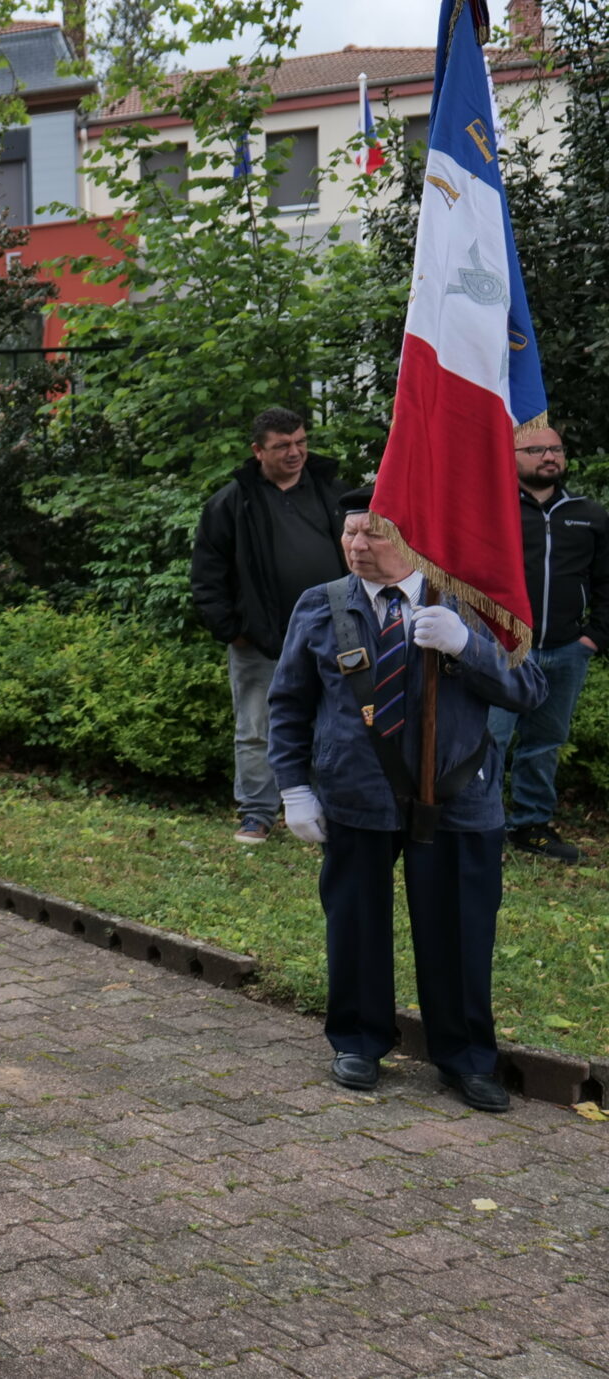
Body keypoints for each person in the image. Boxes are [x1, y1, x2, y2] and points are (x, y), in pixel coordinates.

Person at [269, 489, 548, 1113]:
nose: (358, 547)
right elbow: (288, 705)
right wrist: (292, 788)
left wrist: (466, 647)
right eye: (350, 534)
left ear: (415, 537)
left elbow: (530, 688)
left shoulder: (473, 604)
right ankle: (359, 1041)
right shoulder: (322, 605)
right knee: (356, 923)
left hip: (457, 797)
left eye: (374, 534)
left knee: (459, 931)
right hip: (356, 796)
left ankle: (465, 1058)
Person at [190, 407, 346, 843]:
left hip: (333, 633)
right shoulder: (230, 503)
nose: (295, 452)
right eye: (282, 446)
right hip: (260, 638)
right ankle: (256, 812)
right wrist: (232, 628)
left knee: (332, 723)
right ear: (258, 450)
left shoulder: (334, 493)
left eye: (300, 441)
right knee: (257, 727)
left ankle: (324, 810)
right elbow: (207, 575)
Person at [486, 424, 601, 864]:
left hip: (566, 650)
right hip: (503, 648)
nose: (548, 456)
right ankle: (483, 824)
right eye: (535, 449)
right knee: (490, 740)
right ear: (511, 454)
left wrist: (593, 638)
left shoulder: (587, 513)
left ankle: (531, 824)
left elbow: (605, 580)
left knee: (544, 742)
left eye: (555, 449)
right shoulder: (493, 510)